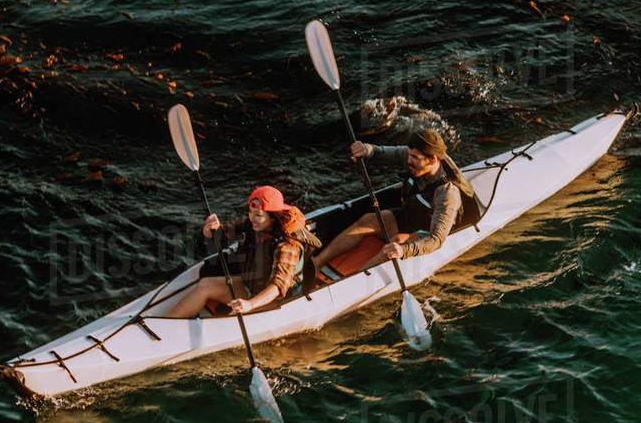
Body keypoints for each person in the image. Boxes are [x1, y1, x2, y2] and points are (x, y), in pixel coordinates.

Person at [313, 129, 478, 275]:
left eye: (414, 157)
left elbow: (436, 240)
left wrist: (403, 251)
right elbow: (383, 153)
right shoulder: (416, 158)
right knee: (370, 219)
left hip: (429, 234)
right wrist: (367, 150)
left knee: (396, 242)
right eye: (409, 154)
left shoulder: (447, 193)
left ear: (432, 160)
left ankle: (350, 282)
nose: (408, 160)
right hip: (413, 217)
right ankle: (316, 263)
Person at [166, 185, 321, 319]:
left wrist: (250, 305)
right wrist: (211, 231)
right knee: (206, 284)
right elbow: (225, 232)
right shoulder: (253, 224)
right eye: (250, 212)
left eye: (258, 215)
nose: (252, 218)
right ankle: (167, 324)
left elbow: (278, 286)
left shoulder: (288, 245)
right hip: (250, 288)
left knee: (235, 315)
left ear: (273, 217)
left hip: (275, 301)